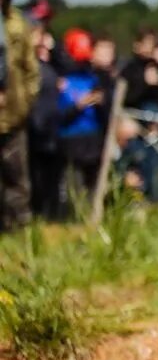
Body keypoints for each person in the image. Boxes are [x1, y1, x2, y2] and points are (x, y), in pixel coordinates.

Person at [0, 0, 42, 232]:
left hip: (14, 116)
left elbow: (31, 71)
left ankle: (19, 233)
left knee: (16, 177)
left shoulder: (17, 26)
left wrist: (24, 102)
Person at [57, 31, 113, 214]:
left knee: (94, 188)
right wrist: (78, 106)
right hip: (71, 142)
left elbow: (108, 111)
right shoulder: (62, 82)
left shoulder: (94, 79)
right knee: (75, 189)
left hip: (93, 140)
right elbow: (58, 116)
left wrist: (100, 102)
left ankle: (94, 219)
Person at [26, 15, 64, 220]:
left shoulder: (49, 65)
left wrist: (53, 48)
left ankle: (48, 219)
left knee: (51, 181)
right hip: (32, 129)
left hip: (52, 131)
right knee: (34, 179)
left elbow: (65, 67)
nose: (41, 40)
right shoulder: (26, 67)